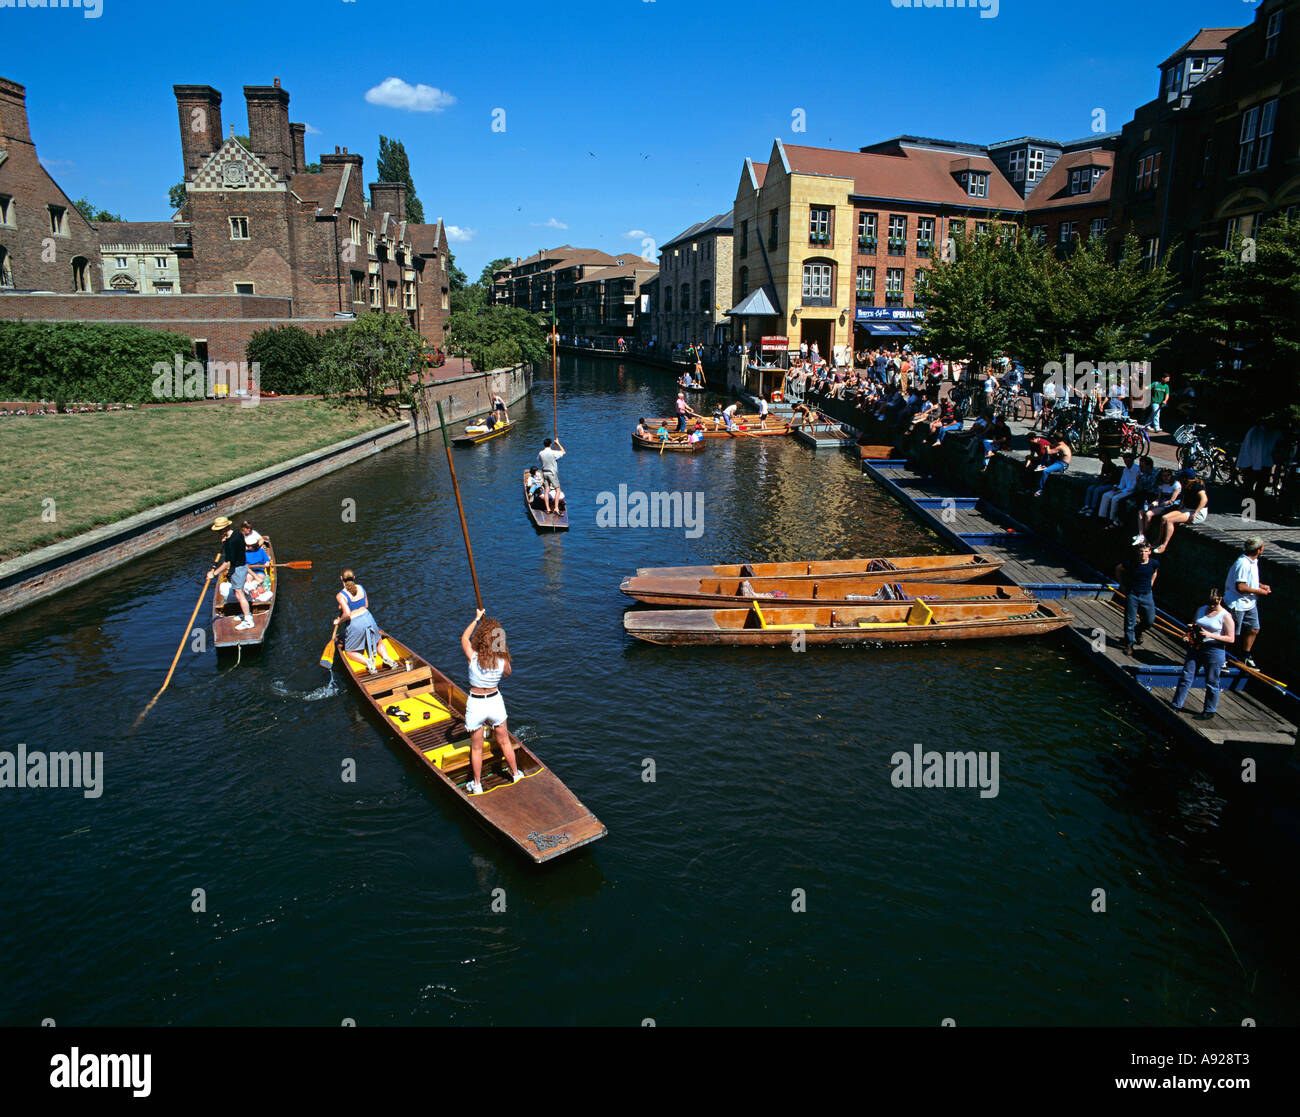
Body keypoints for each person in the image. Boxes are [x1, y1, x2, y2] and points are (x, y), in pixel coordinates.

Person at [461, 609, 522, 795]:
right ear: (498, 640)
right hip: (495, 702)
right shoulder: (502, 660)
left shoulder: (473, 657)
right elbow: (508, 673)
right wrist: (501, 647)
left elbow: (464, 638)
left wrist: (476, 619)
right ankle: (515, 773)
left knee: (477, 748)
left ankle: (477, 784)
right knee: (504, 741)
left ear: (480, 638)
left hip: (477, 704)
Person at [1170, 587, 1236, 721]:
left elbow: (1231, 638)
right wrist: (1190, 630)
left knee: (1212, 681)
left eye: (1214, 603)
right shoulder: (1201, 609)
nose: (1211, 606)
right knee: (1186, 676)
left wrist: (1210, 635)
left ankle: (1209, 710)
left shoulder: (1226, 616)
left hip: (1214, 650)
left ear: (1220, 599)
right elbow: (1195, 624)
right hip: (1196, 647)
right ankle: (1176, 705)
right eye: (1209, 603)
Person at [335, 568, 396, 673]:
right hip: (368, 618)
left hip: (355, 623)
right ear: (354, 578)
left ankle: (368, 662)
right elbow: (366, 605)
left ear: (341, 578)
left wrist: (338, 621)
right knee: (379, 642)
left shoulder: (340, 595)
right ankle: (386, 658)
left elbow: (348, 614)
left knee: (349, 652)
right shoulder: (361, 587)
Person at [1224, 536, 1270, 668]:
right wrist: (1260, 592)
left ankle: (1245, 655)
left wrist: (1261, 586)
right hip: (1237, 604)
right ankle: (1220, 657)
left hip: (1249, 603)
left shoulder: (1254, 561)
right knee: (1230, 633)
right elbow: (1241, 587)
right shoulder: (1242, 564)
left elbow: (1250, 581)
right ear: (1259, 549)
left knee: (1254, 629)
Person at [210, 515, 254, 630]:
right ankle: (245, 613)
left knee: (239, 593)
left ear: (224, 529)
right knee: (237, 592)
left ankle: (248, 620)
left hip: (238, 569)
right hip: (242, 566)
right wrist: (226, 541)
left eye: (219, 531)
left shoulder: (231, 541)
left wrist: (213, 574)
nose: (218, 533)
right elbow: (243, 546)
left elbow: (226, 563)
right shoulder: (238, 534)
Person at [1116, 541, 1159, 655]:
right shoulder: (1131, 563)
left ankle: (1138, 630)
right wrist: (1122, 585)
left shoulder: (1154, 563)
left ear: (1149, 552)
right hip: (1133, 594)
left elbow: (1154, 572)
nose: (1143, 554)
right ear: (1138, 552)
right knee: (1130, 620)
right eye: (1141, 551)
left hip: (1147, 594)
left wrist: (1151, 584)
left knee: (1150, 620)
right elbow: (1119, 569)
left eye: (1145, 552)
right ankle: (1129, 644)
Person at [1152, 469, 1207, 553]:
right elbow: (1184, 497)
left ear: (1185, 478)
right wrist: (1180, 507)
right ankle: (1158, 540)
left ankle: (1164, 545)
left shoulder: (1197, 486)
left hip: (1197, 512)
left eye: (1181, 477)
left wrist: (1195, 513)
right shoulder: (1185, 485)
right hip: (1186, 509)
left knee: (1170, 520)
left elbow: (1204, 499)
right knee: (1164, 518)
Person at [240, 521, 273, 600]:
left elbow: (267, 560)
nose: (248, 547)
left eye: (250, 545)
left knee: (260, 578)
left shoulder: (261, 551)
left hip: (259, 570)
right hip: (249, 570)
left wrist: (267, 563)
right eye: (247, 545)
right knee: (248, 578)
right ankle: (253, 591)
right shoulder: (245, 552)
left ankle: (253, 591)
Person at [539, 438, 565, 513]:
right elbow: (563, 452)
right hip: (552, 473)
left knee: (546, 490)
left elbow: (539, 459)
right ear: (551, 444)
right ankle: (556, 508)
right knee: (558, 490)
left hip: (544, 473)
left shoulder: (541, 453)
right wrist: (558, 443)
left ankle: (548, 509)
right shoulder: (553, 452)